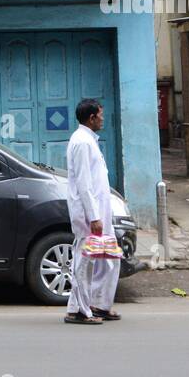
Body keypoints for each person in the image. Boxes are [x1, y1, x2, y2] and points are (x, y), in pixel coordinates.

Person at [64, 98, 121, 325]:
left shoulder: (88, 140)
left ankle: (100, 304)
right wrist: (93, 216)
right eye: (100, 115)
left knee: (109, 258)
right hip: (89, 214)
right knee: (84, 261)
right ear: (91, 118)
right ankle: (79, 310)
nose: (103, 119)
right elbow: (84, 183)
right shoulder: (82, 143)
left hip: (100, 210)